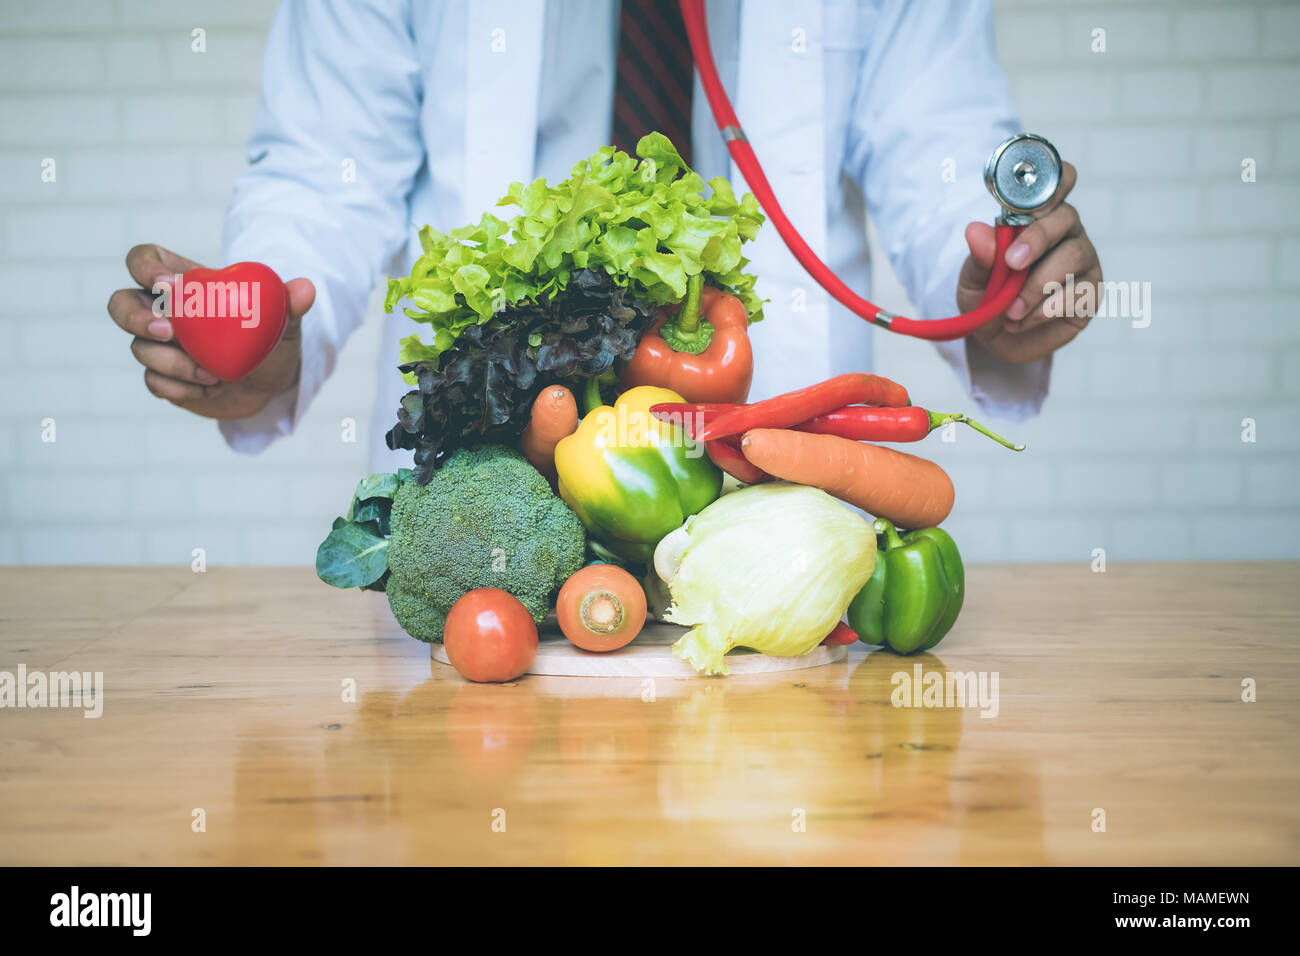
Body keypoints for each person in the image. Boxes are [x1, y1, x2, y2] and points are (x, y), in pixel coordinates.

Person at [106, 0, 1101, 471]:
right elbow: (327, 168)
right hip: (493, 504)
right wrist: (272, 317)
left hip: (775, 490)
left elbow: (943, 145)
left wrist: (992, 284)